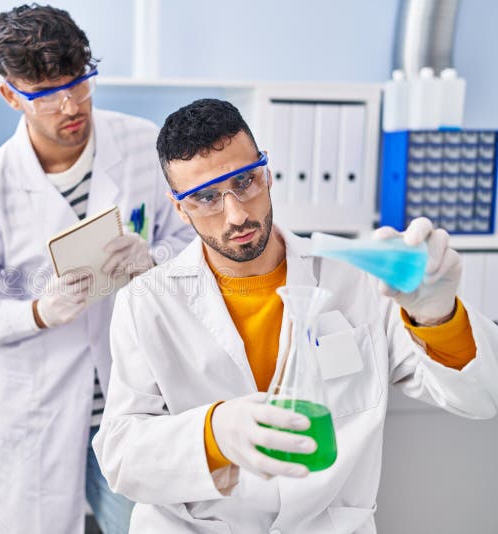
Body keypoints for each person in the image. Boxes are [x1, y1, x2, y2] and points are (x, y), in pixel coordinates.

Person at [93, 98, 498, 533]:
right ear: (180, 208)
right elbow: (120, 456)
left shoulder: (354, 277)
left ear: (266, 172)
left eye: (245, 181)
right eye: (207, 198)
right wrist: (213, 433)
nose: (236, 214)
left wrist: (438, 316)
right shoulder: (147, 302)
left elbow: (481, 397)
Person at [0, 5, 194, 533]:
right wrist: (37, 313)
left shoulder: (145, 146)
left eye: (79, 83)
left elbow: (193, 234)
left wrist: (156, 259)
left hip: (135, 399)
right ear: (10, 95)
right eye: (45, 94)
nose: (71, 106)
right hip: (39, 414)